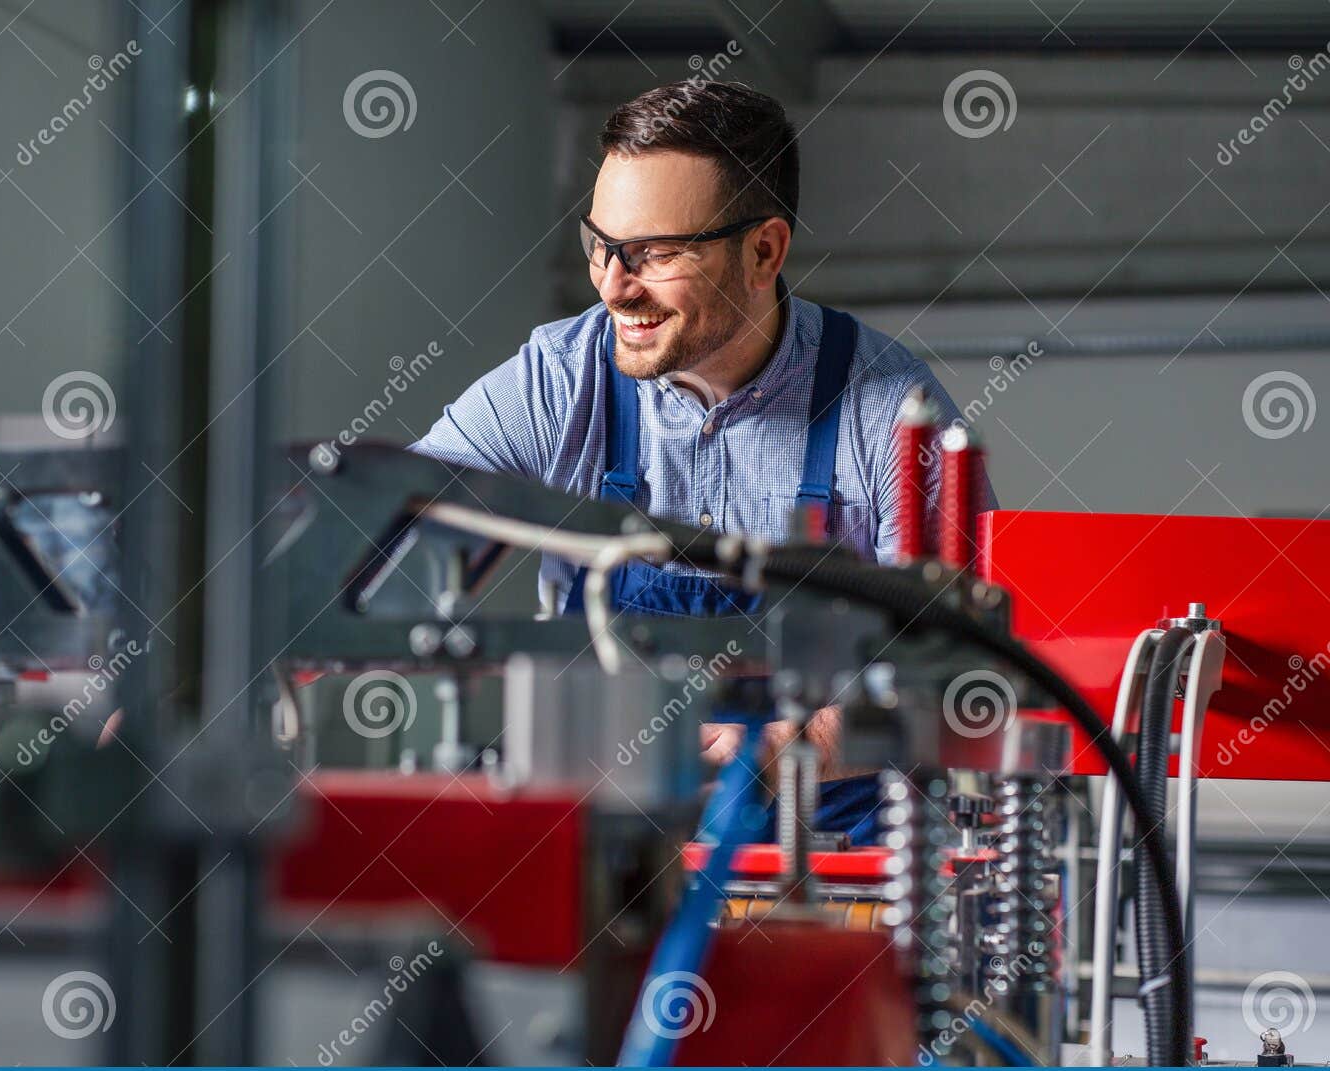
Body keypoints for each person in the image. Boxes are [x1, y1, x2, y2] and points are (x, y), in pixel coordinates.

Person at [409, 80, 995, 843]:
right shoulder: (557, 382)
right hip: (609, 852)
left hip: (837, 860)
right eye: (601, 244)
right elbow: (397, 516)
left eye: (653, 254)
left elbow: (968, 675)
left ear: (763, 250)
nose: (614, 285)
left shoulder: (890, 413)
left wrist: (794, 748)